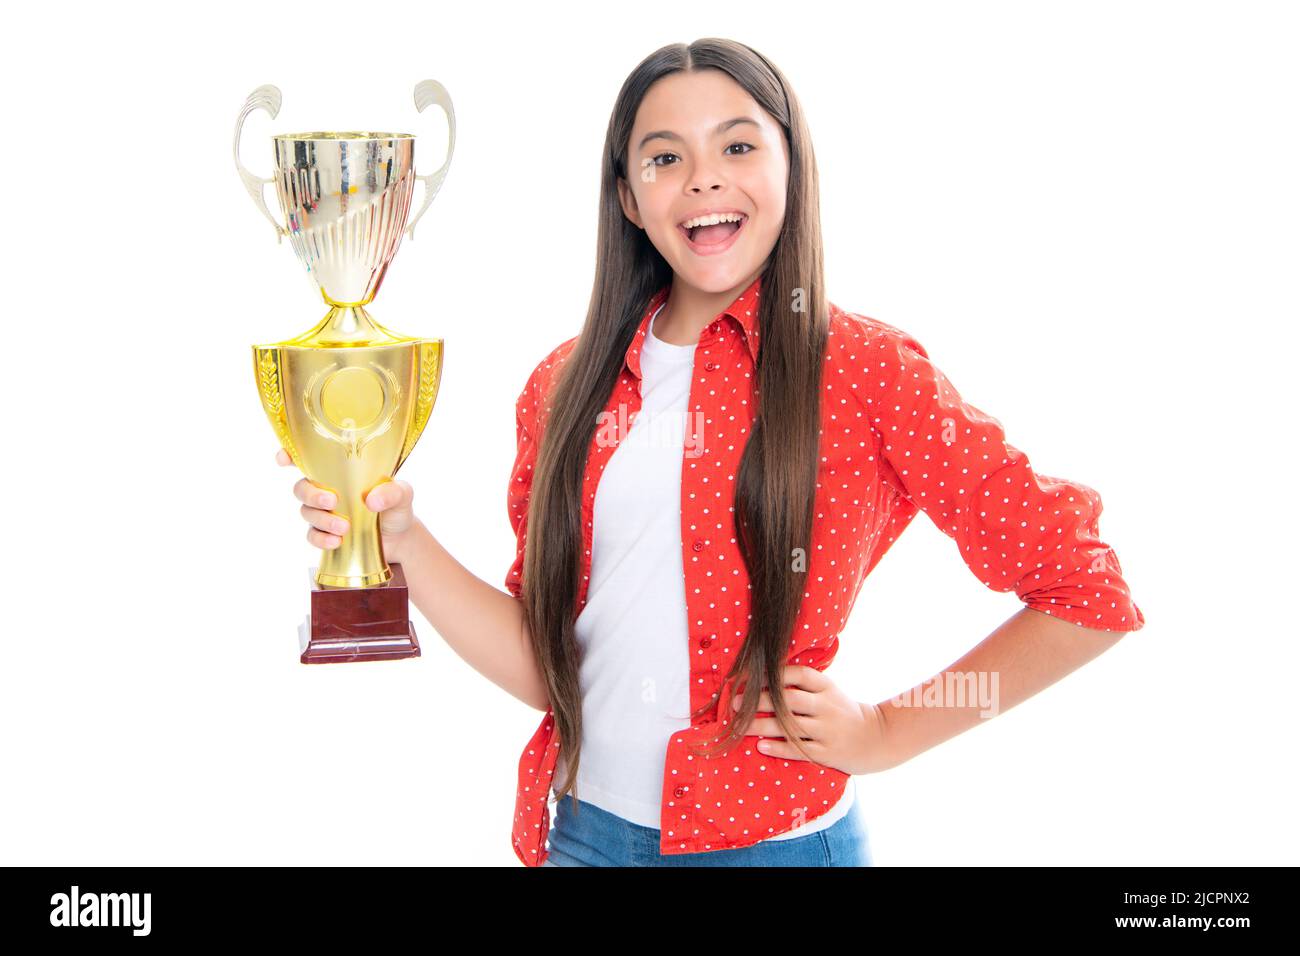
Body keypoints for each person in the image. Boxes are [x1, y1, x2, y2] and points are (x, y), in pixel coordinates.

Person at [276, 38, 1145, 867]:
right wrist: (403, 542)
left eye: (736, 144)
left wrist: (886, 733)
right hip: (579, 833)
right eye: (664, 158)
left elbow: (1086, 591)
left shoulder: (864, 371)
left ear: (790, 165)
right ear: (627, 196)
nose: (703, 181)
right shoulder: (563, 387)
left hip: (777, 849)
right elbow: (554, 673)